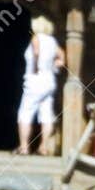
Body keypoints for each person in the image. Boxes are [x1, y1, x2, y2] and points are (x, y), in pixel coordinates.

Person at [17, 16, 66, 156]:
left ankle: (24, 147)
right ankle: (43, 147)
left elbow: (36, 51)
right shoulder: (52, 41)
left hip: (35, 80)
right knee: (46, 114)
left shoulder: (36, 37)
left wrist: (36, 66)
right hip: (49, 81)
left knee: (25, 113)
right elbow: (61, 55)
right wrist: (57, 64)